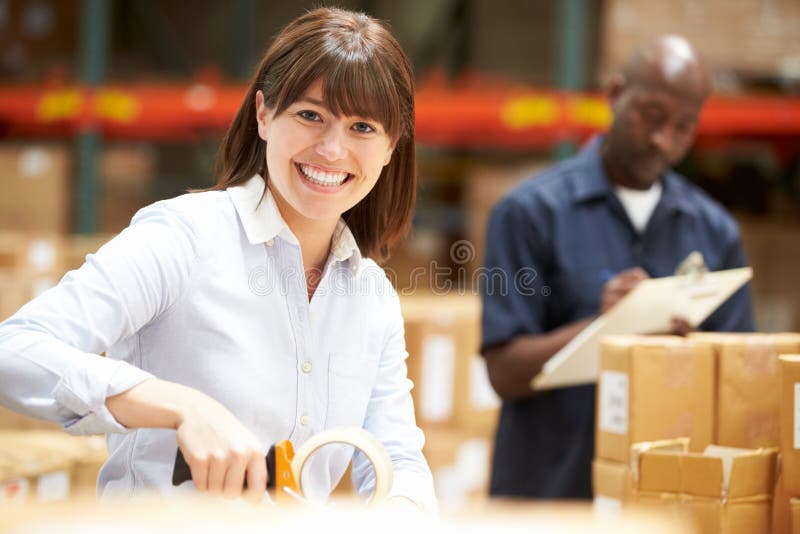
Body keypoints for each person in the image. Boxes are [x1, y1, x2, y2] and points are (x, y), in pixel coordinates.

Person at [0, 7, 435, 509]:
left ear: (390, 147)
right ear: (264, 115)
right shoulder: (185, 239)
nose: (332, 150)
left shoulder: (372, 297)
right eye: (311, 115)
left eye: (362, 127)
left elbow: (397, 459)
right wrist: (180, 406)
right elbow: (15, 349)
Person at [480, 35, 754, 499]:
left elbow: (739, 382)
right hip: (548, 500)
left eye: (683, 127)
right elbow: (503, 373)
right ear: (614, 95)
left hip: (664, 503)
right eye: (651, 115)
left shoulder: (715, 233)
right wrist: (609, 328)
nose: (662, 139)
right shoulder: (528, 213)